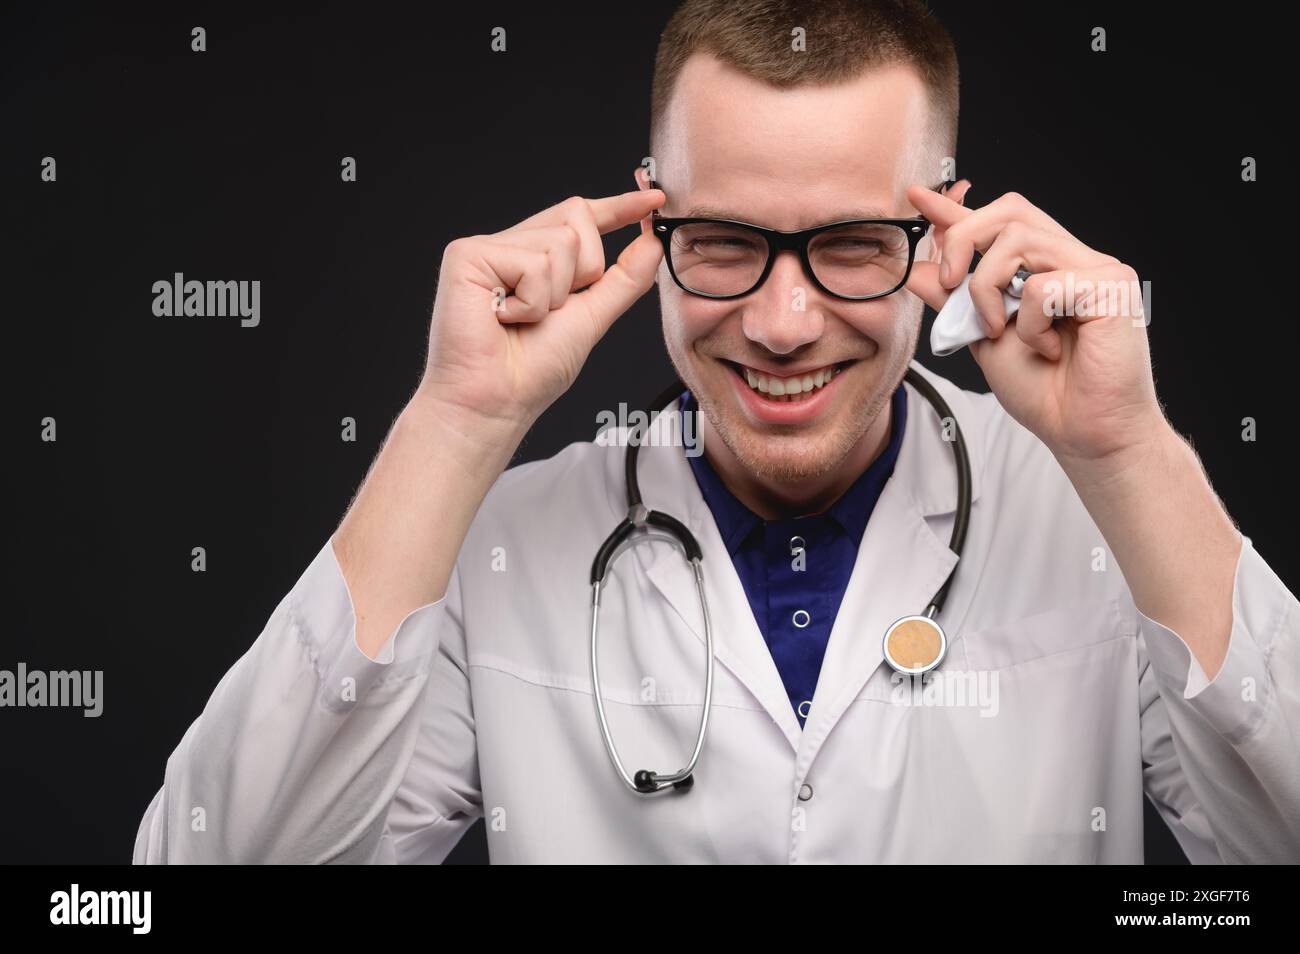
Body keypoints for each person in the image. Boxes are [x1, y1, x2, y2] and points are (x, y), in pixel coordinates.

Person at [133, 0, 1300, 863]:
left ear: (945, 232)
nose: (781, 324)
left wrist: (1128, 454)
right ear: (653, 220)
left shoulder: (1097, 521)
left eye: (849, 243)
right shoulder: (504, 549)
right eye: (727, 242)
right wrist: (453, 423)